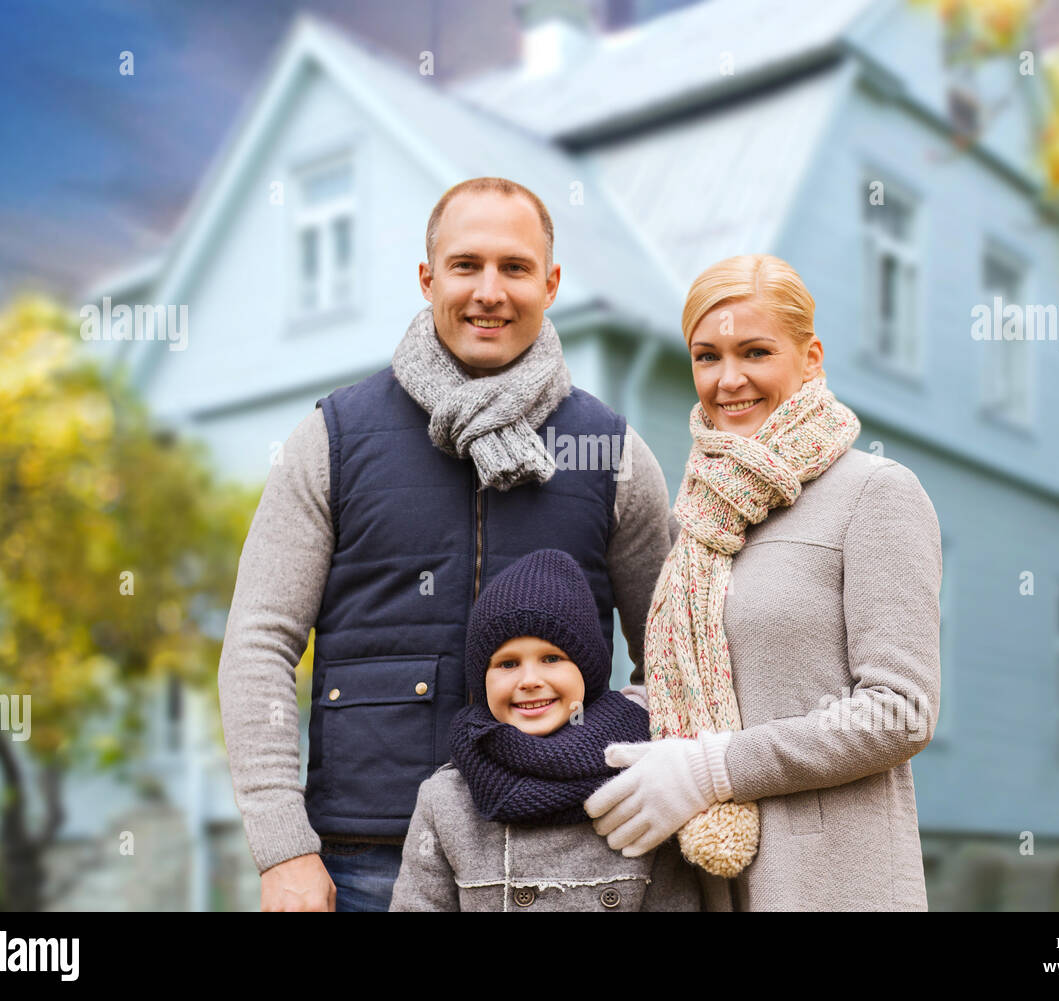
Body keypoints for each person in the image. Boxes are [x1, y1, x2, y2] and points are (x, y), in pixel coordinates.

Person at [216, 177, 671, 912]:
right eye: (466, 266)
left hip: (568, 856)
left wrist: (628, 766)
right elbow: (258, 645)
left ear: (550, 284)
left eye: (515, 268)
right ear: (428, 279)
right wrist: (283, 846)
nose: (489, 290)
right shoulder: (332, 438)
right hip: (366, 861)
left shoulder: (610, 452)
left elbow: (680, 657)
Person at [583, 253, 942, 911]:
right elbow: (679, 681)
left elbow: (901, 710)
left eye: (754, 351)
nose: (728, 379)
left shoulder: (875, 493)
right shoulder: (697, 520)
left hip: (833, 885)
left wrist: (715, 768)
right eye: (706, 356)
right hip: (707, 882)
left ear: (811, 357)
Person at [389, 548, 704, 911]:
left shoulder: (641, 780)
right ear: (482, 680)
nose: (529, 680)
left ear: (587, 669)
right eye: (507, 663)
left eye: (552, 658)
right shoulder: (446, 800)